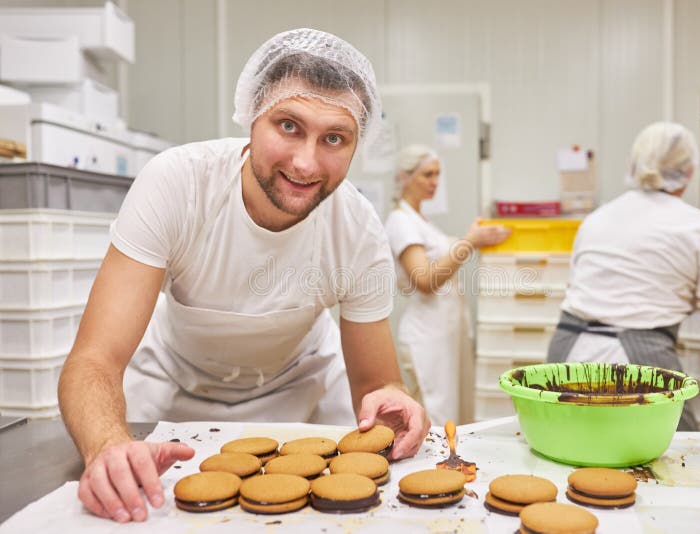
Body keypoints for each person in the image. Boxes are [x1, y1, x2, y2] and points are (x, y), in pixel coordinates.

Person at [58, 28, 430, 523]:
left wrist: (396, 403)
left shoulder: (357, 229)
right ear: (252, 115)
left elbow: (377, 383)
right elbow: (92, 361)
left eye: (334, 138)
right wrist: (108, 443)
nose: (305, 162)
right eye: (289, 126)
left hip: (303, 401)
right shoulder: (178, 184)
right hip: (172, 390)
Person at [546, 121, 700, 431]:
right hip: (640, 364)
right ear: (689, 172)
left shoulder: (595, 220)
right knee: (671, 459)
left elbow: (579, 289)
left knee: (565, 450)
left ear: (633, 166)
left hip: (566, 355)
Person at [383, 145, 510, 425]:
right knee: (438, 419)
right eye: (427, 174)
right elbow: (425, 280)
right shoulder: (400, 222)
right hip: (427, 335)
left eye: (438, 174)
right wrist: (469, 243)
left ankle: (453, 467)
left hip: (447, 332)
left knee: (456, 415)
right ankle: (436, 469)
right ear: (405, 177)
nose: (435, 182)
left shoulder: (422, 221)